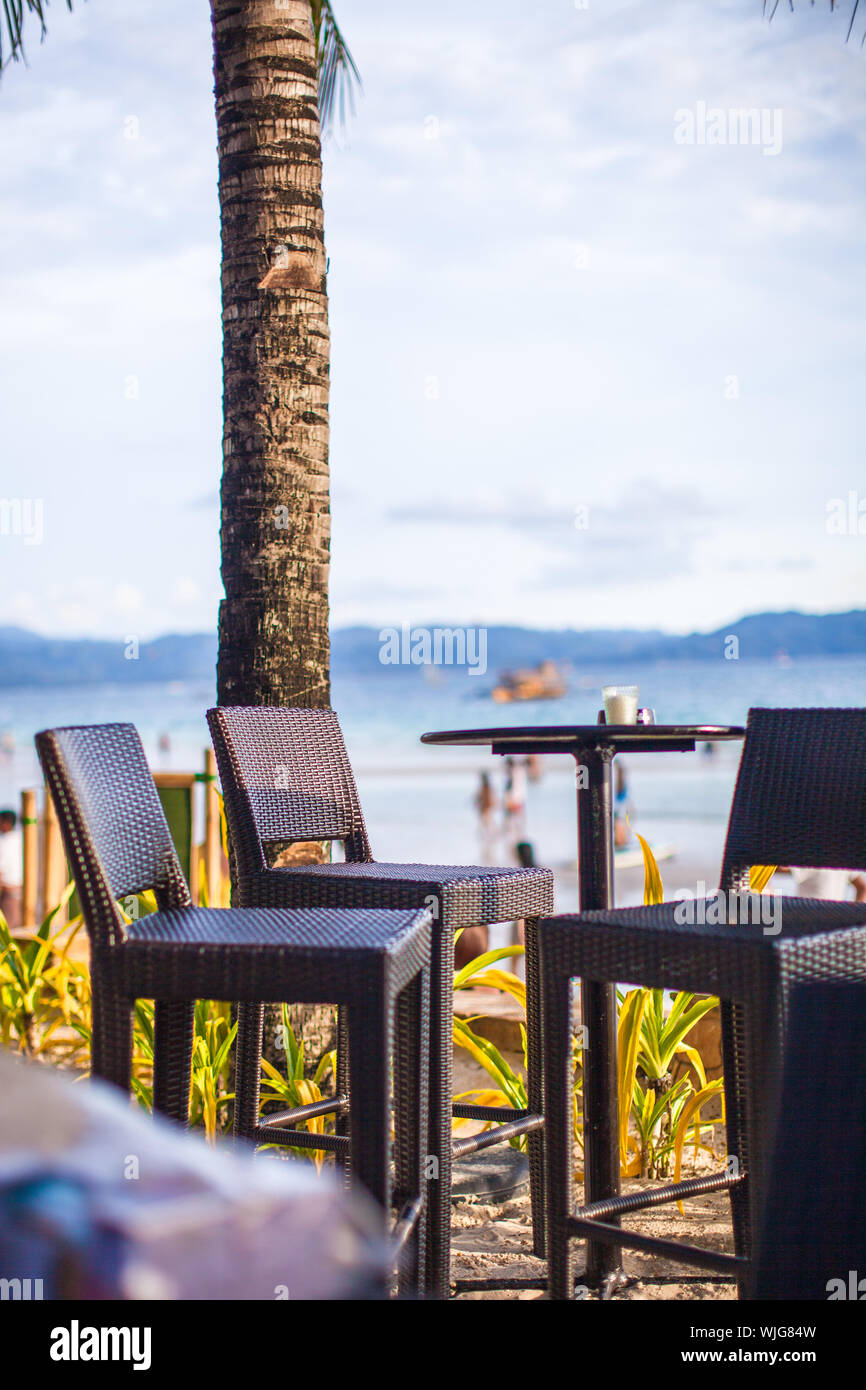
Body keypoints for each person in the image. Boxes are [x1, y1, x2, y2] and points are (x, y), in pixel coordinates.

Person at [0, 809, 23, 929]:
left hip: (8, 894)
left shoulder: (4, 842)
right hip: (20, 891)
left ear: (6, 823)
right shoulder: (20, 838)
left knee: (7, 931)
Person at [613, 761, 631, 849]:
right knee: (619, 823)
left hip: (620, 806)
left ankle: (621, 844)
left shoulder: (621, 783)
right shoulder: (621, 784)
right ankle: (621, 843)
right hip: (620, 805)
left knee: (619, 823)